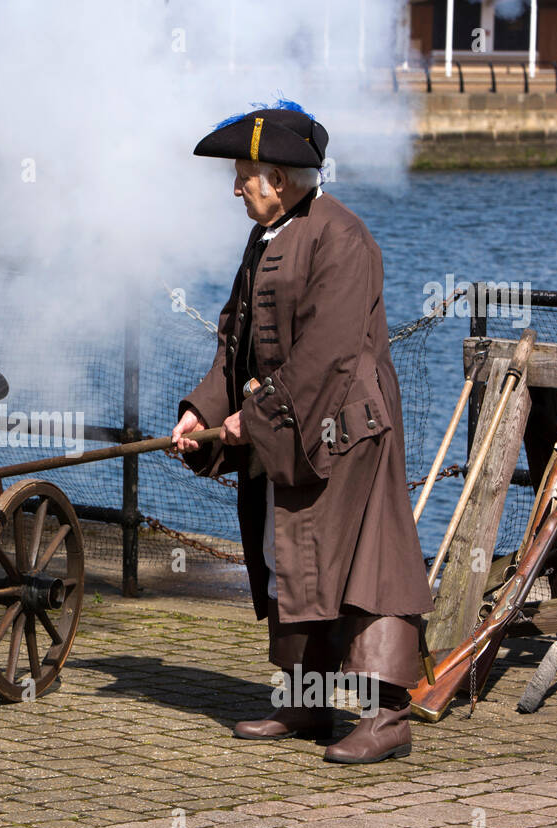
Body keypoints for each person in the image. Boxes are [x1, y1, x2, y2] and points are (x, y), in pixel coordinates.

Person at [172, 102, 434, 764]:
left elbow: (329, 353)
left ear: (279, 179)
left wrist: (253, 418)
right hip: (292, 427)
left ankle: (389, 717)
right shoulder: (269, 237)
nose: (236, 188)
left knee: (366, 567)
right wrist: (205, 409)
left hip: (350, 435)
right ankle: (306, 702)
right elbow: (238, 336)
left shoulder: (342, 238)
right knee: (289, 552)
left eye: (244, 176)